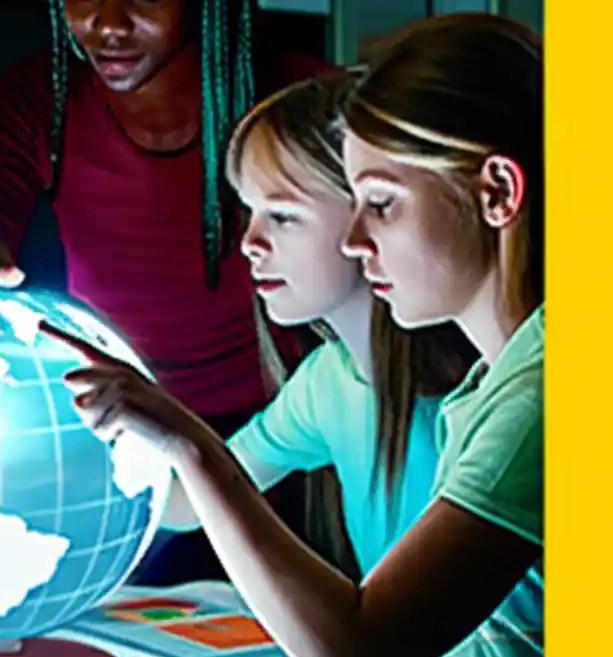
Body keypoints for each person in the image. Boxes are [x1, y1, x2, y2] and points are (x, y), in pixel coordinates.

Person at [45, 13, 544, 657]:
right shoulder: (484, 390)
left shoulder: (537, 402)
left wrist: (189, 443)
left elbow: (363, 646)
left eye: (383, 204)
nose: (358, 241)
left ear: (499, 191)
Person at [0, 0, 327, 584]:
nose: (107, 24)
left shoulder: (296, 96)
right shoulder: (37, 100)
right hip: (119, 433)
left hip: (287, 436)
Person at [161, 72, 476, 582]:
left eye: (283, 216)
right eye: (250, 211)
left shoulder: (469, 402)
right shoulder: (325, 383)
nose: (249, 242)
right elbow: (187, 504)